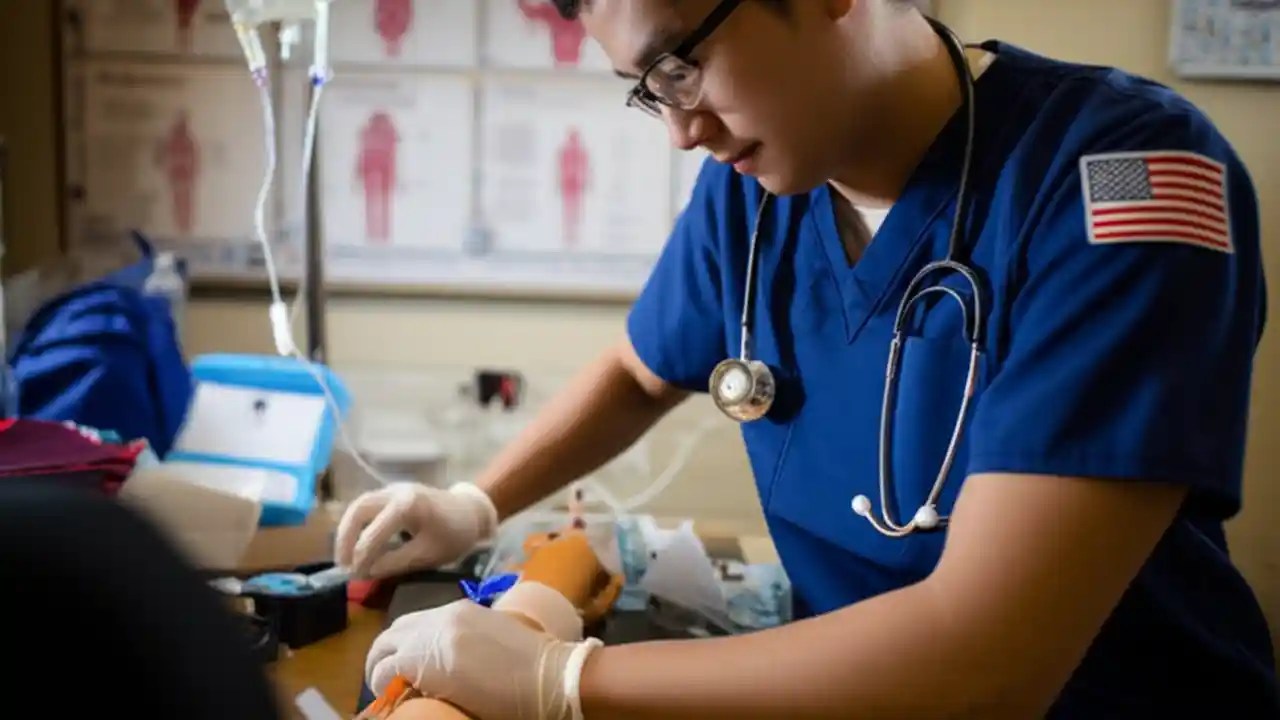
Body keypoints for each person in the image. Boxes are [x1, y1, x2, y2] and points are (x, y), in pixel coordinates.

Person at [335, 1, 1278, 717]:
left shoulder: (1123, 176)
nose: (680, 128)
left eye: (685, 63)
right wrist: (473, 505)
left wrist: (565, 679)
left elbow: (991, 659)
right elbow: (637, 372)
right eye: (648, 87)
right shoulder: (756, 190)